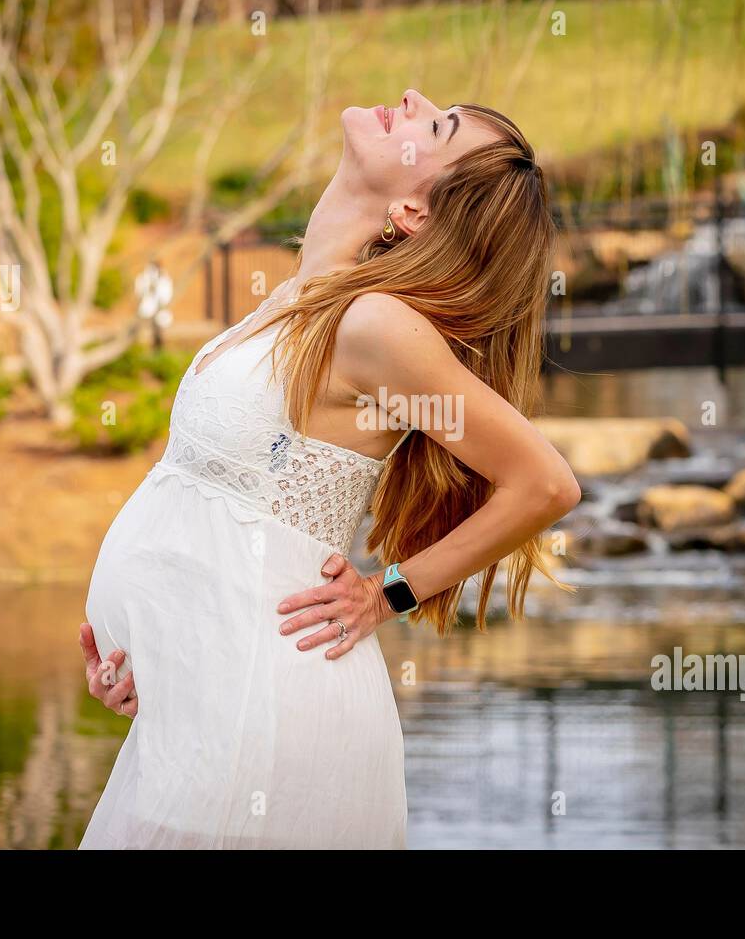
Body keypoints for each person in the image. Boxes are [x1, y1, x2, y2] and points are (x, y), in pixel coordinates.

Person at [77, 90, 580, 848]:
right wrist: (155, 660)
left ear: (412, 212)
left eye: (435, 125)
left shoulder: (372, 325)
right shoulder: (299, 297)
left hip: (274, 715)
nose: (411, 98)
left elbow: (544, 484)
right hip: (206, 714)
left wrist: (388, 592)